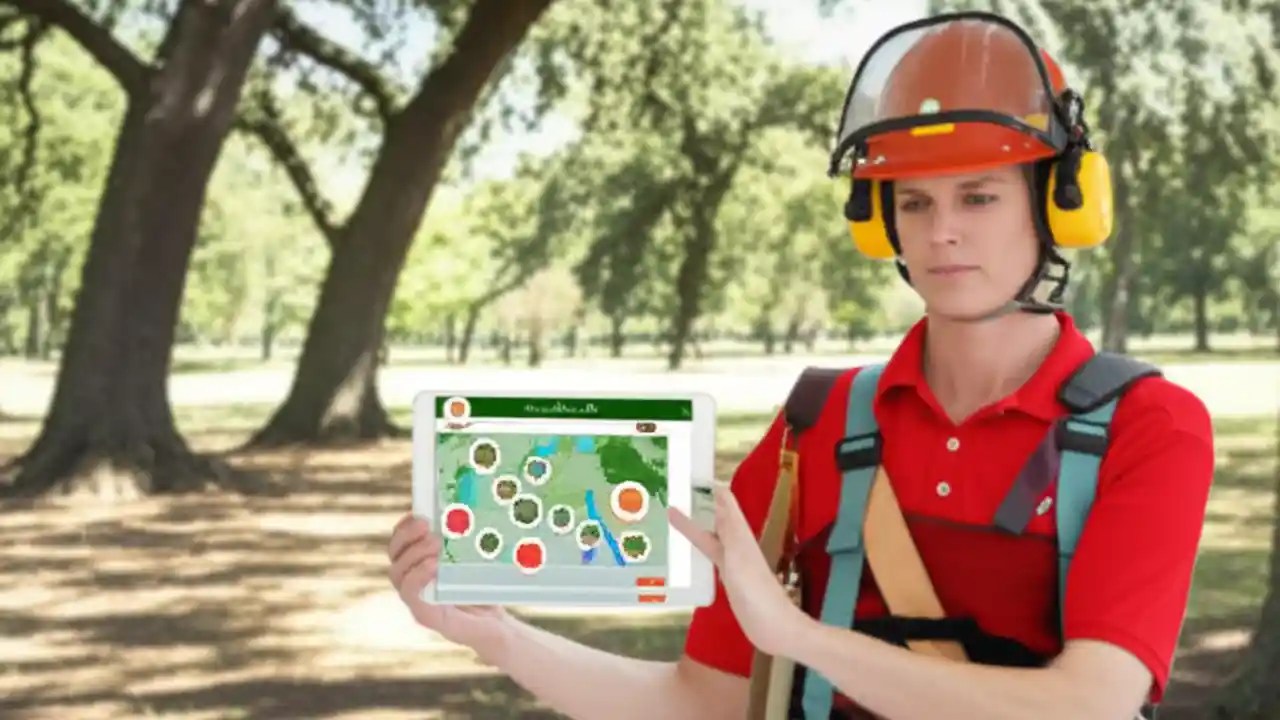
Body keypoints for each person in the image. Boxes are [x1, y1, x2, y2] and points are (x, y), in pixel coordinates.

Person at [386, 11, 1215, 720]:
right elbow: (697, 703)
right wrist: (491, 633)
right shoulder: (815, 426)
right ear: (877, 220)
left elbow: (1089, 704)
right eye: (914, 202)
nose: (941, 233)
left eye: (980, 196)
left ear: (1060, 202)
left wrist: (802, 641)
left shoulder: (1148, 428)